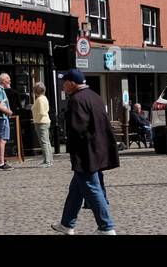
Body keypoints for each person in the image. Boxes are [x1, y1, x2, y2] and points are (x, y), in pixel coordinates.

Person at [51, 70, 118, 235]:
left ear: (72, 83)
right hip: (98, 150)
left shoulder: (76, 100)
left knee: (91, 187)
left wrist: (74, 152)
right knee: (76, 189)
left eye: (64, 82)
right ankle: (67, 224)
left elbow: (77, 129)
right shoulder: (94, 96)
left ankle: (106, 227)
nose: (63, 85)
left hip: (86, 153)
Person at [32, 82, 53, 167]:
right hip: (45, 121)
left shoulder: (40, 99)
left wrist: (36, 119)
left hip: (41, 122)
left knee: (44, 142)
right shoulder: (44, 98)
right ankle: (47, 160)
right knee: (46, 142)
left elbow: (41, 112)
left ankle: (47, 161)